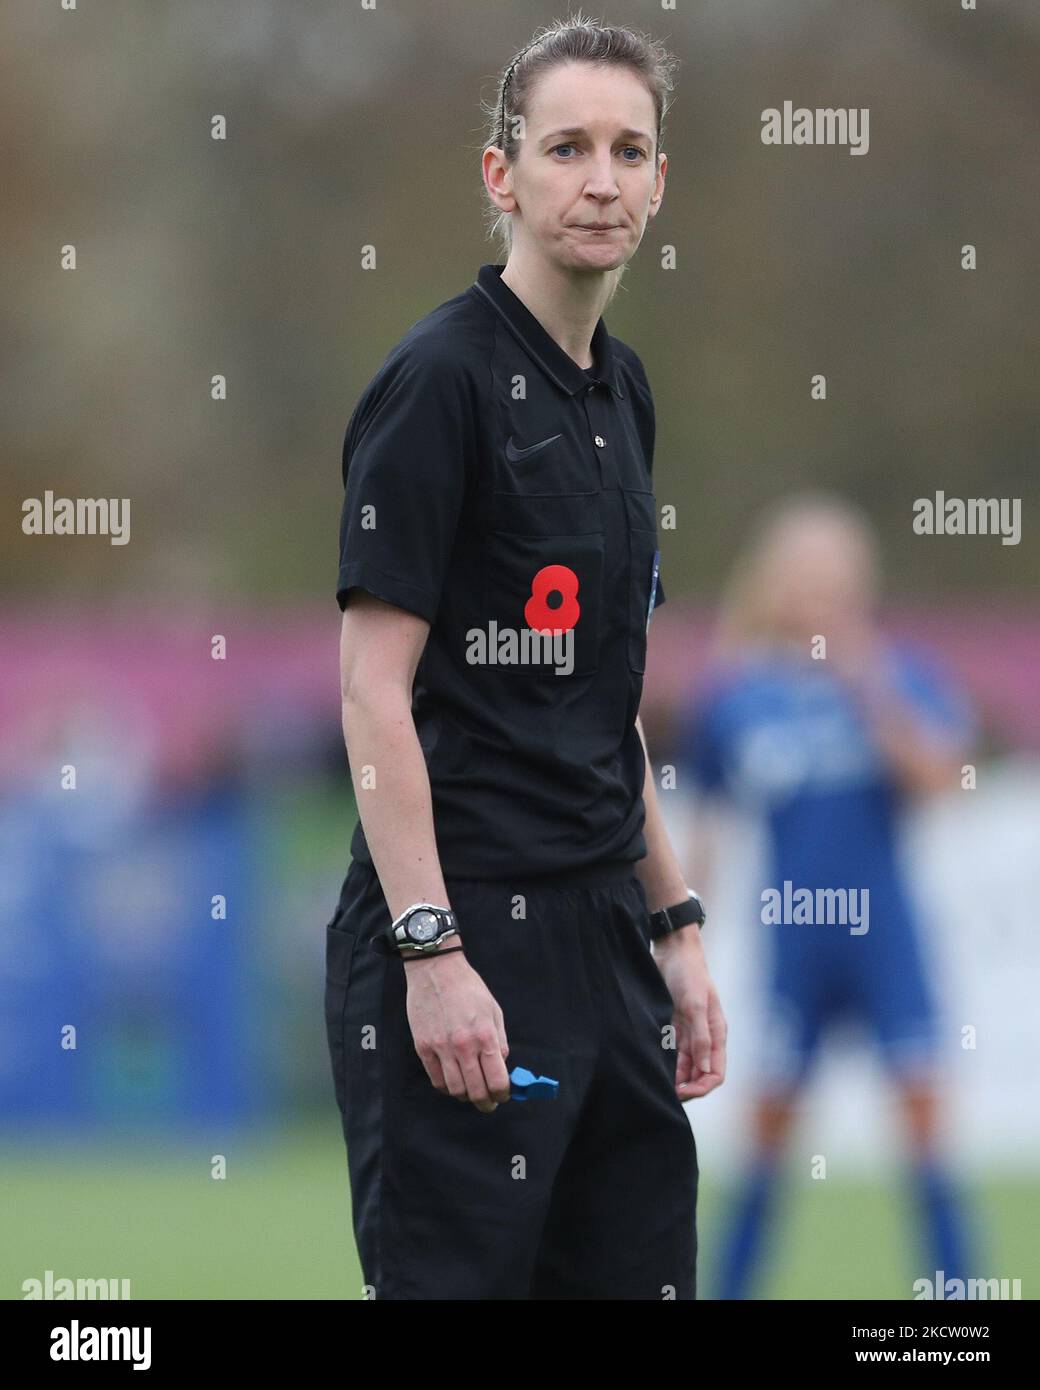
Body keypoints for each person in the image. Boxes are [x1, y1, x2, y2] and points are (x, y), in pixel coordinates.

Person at [323, 15, 726, 1301]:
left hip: (605, 936)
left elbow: (604, 703)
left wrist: (674, 926)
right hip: (464, 927)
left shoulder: (624, 390)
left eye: (627, 150)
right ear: (500, 175)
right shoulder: (436, 380)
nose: (600, 179)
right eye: (566, 148)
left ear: (658, 181)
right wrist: (430, 954)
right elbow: (369, 692)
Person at [677, 493, 976, 1298]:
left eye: (832, 578)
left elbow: (944, 781)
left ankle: (959, 1314)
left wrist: (867, 685)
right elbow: (704, 834)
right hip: (796, 955)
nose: (817, 595)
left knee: (928, 1142)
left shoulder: (898, 675)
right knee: (764, 1149)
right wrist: (683, 939)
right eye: (801, 577)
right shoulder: (738, 696)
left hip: (889, 946)